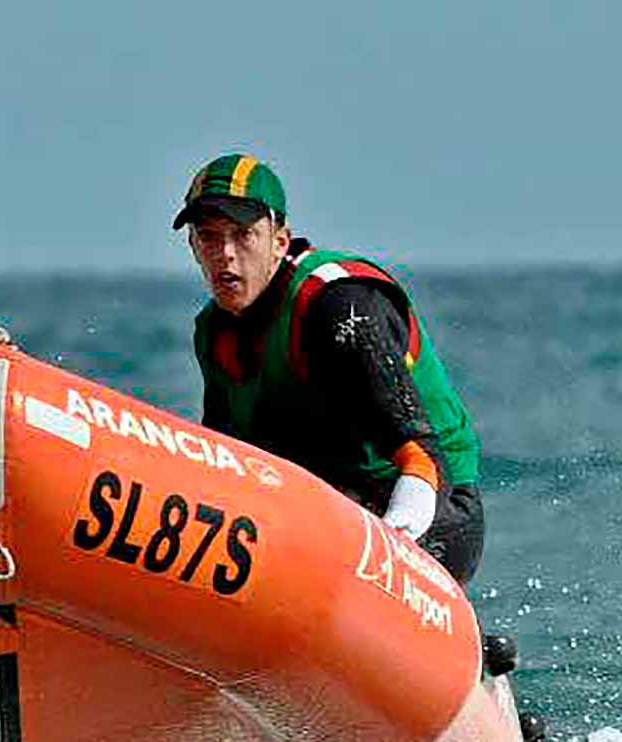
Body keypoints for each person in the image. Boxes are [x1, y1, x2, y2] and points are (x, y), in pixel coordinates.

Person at [176, 154, 485, 587]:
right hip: (321, 512)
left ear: (279, 241)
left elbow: (424, 459)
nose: (225, 254)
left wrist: (387, 560)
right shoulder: (214, 333)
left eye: (243, 235)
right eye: (208, 237)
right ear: (192, 247)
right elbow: (231, 468)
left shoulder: (340, 304)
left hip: (432, 505)